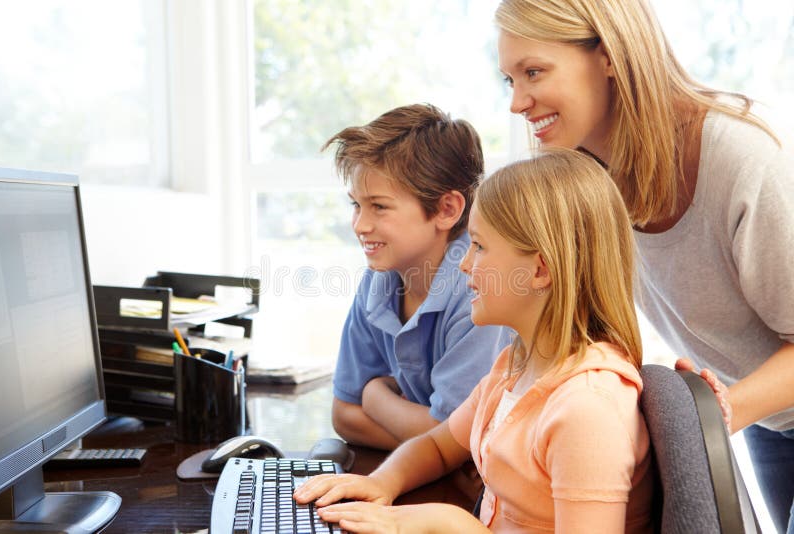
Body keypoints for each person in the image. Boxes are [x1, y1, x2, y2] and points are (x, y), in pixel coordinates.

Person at [493, 1, 794, 531]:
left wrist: (705, 418)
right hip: (774, 420)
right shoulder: (590, 177)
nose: (517, 102)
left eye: (534, 72)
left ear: (608, 56)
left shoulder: (744, 161)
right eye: (509, 79)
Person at [295, 150, 654, 533]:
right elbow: (437, 446)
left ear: (540, 269)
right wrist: (380, 483)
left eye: (479, 247)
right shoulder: (513, 368)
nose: (465, 264)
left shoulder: (587, 408)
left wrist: (449, 523)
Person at [324, 103, 510, 451]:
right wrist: (439, 456)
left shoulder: (479, 288)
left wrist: (375, 397)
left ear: (447, 210)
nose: (360, 225)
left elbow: (458, 437)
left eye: (379, 206)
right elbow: (344, 414)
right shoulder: (377, 283)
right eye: (356, 205)